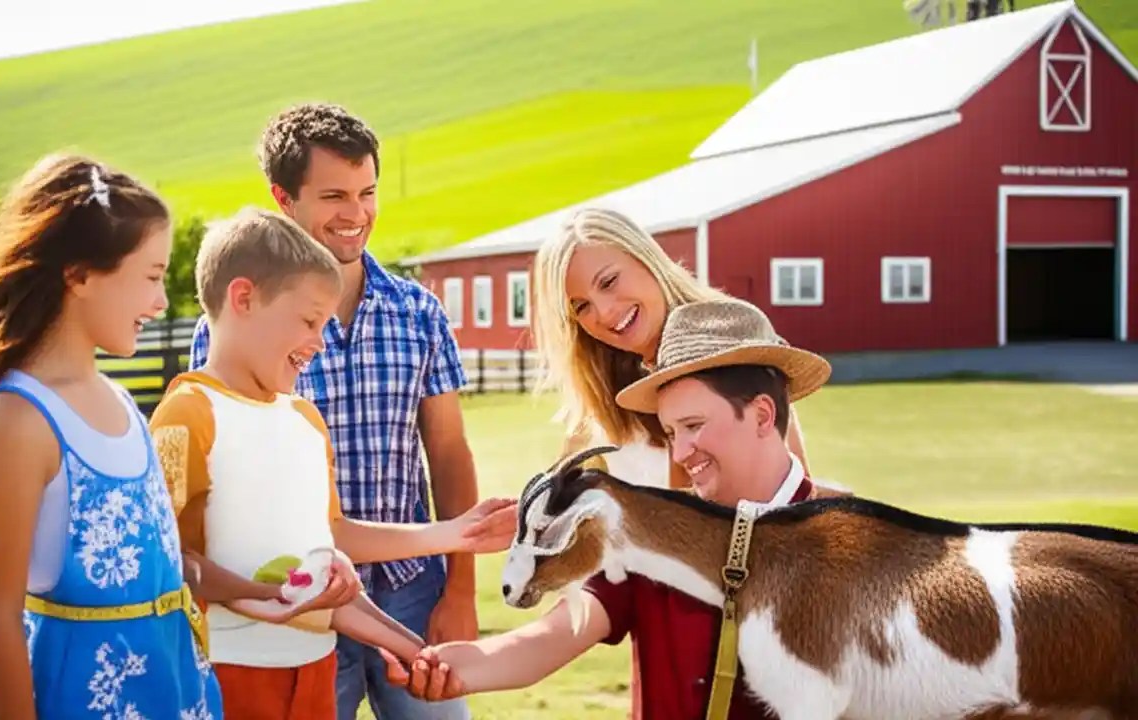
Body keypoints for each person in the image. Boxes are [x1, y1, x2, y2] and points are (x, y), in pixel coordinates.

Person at [380, 296, 848, 719]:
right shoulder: (647, 535)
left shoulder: (852, 542)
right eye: (670, 433)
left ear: (763, 415)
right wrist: (451, 667)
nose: (680, 453)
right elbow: (551, 638)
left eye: (693, 425)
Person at [152, 207, 516, 719]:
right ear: (243, 299)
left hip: (315, 680)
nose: (319, 343)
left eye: (324, 324)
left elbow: (329, 543)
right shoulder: (187, 413)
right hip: (225, 681)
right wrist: (265, 595)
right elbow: (165, 563)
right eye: (307, 321)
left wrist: (454, 539)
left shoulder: (305, 420)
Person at [187, 103, 480, 720]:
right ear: (283, 197)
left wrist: (461, 588)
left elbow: (448, 451)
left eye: (367, 192)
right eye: (334, 196)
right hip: (296, 601)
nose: (356, 214)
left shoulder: (418, 313)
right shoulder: (239, 328)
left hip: (412, 592)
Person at [0, 154, 222, 719]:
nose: (160, 303)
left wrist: (263, 591)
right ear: (78, 275)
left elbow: (157, 569)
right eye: (151, 277)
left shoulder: (122, 402)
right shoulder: (16, 420)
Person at [532, 206, 813, 490]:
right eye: (582, 306)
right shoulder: (600, 405)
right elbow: (559, 508)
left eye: (608, 282)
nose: (604, 313)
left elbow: (795, 503)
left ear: (645, 258)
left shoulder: (734, 348)